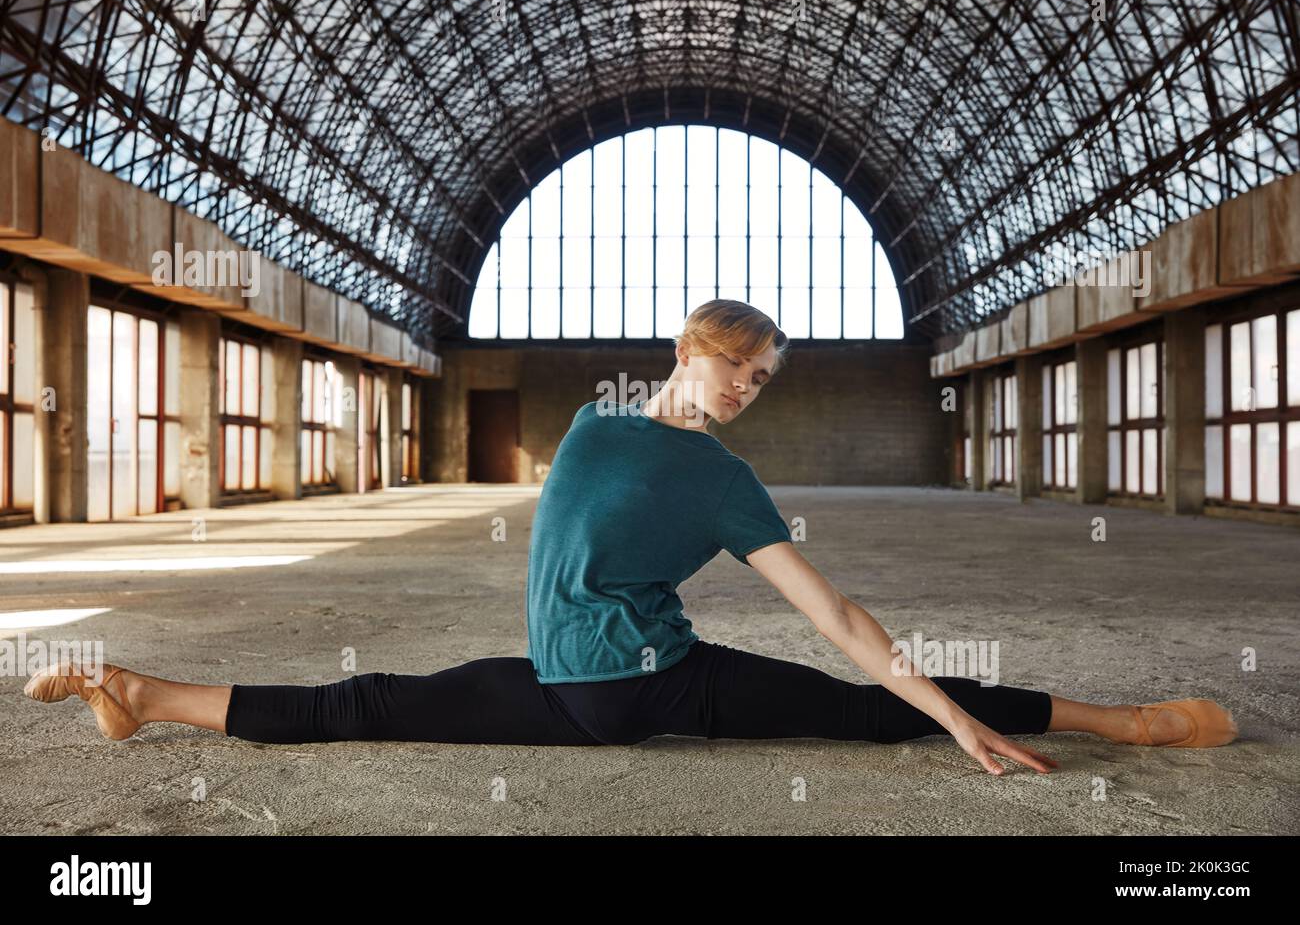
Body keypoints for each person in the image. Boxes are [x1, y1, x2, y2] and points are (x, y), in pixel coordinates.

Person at [24, 299, 1238, 774]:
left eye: (762, 378)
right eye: (735, 364)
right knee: (368, 699)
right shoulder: (592, 422)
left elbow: (839, 615)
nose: (745, 387)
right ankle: (134, 689)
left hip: (640, 680)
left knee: (865, 696)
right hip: (582, 688)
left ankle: (1125, 720)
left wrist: (947, 713)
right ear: (686, 348)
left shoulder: (722, 478)